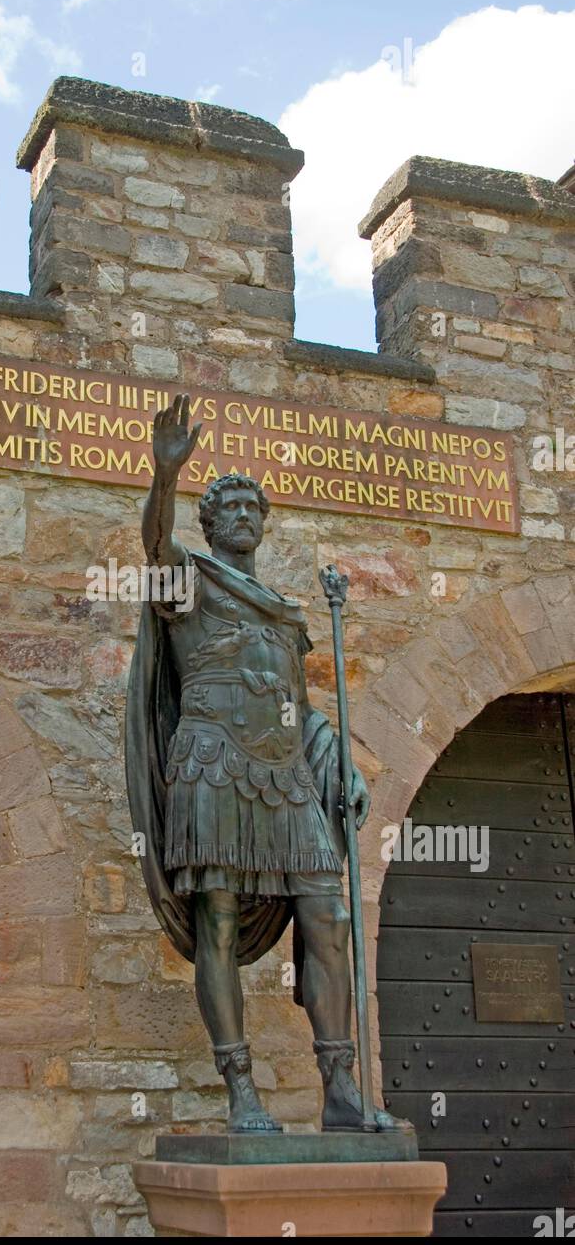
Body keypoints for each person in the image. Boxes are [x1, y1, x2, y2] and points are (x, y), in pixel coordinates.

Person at [126, 395, 410, 1133]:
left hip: (285, 776)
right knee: (216, 920)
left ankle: (340, 1086)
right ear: (210, 523)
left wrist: (336, 760)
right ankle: (241, 1091)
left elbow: (301, 708)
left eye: (253, 505)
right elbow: (154, 546)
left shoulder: (285, 612)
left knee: (330, 913)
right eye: (228, 506)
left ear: (263, 523)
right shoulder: (188, 580)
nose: (243, 513)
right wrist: (165, 478)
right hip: (213, 765)